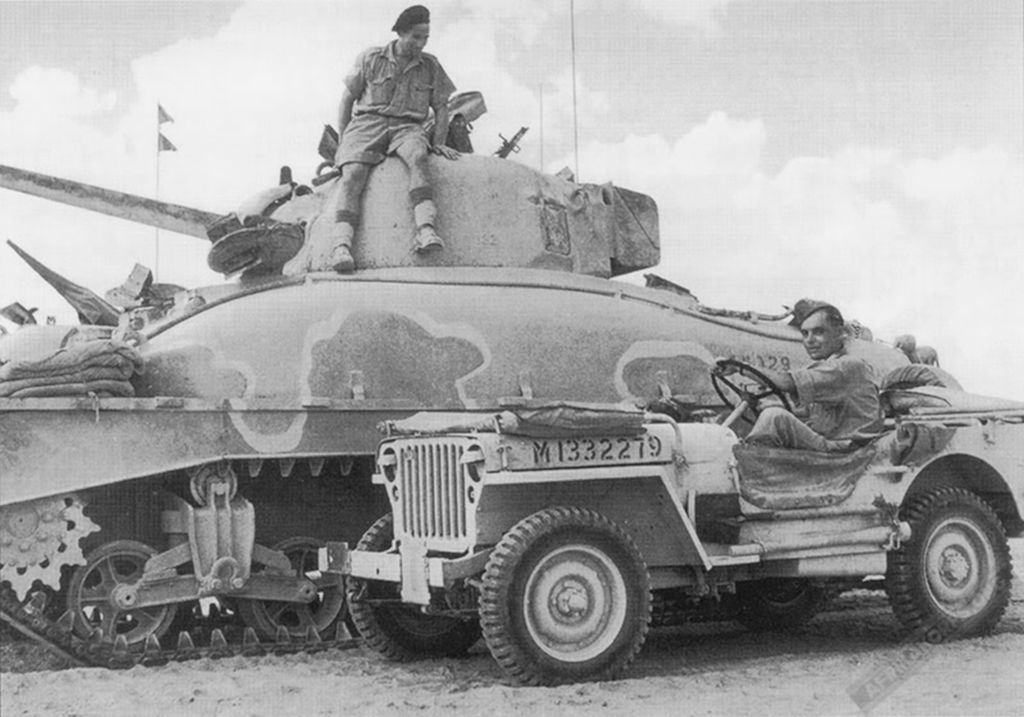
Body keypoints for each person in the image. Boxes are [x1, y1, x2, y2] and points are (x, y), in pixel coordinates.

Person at [296, 5, 458, 274]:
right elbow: (347, 99)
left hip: (408, 126)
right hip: (367, 124)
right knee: (353, 174)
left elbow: (441, 107)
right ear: (401, 33)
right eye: (415, 37)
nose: (421, 44)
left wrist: (439, 142)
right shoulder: (371, 58)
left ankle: (426, 228)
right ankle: (341, 245)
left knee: (419, 158)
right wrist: (345, 141)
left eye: (425, 38)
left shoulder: (430, 65)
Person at [735, 300, 883, 451]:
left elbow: (786, 382)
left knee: (774, 417)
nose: (809, 340)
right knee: (774, 414)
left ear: (839, 332)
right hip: (840, 445)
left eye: (819, 332)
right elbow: (816, 413)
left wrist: (740, 368)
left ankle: (750, 464)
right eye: (805, 333)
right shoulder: (832, 368)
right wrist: (776, 405)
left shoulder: (846, 366)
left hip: (847, 451)